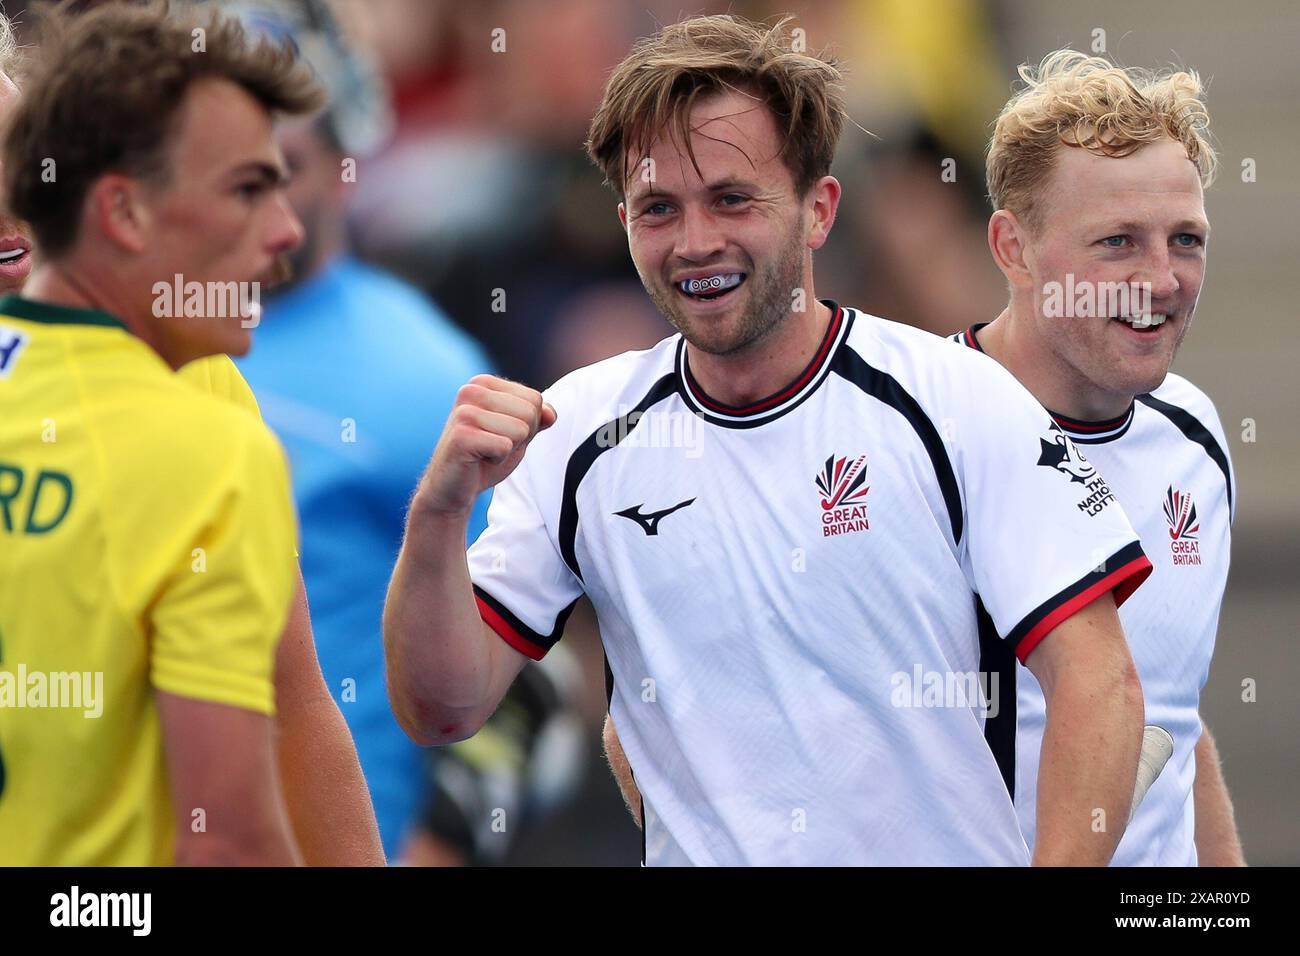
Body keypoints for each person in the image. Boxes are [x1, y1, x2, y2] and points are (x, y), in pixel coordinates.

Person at [384, 14, 1152, 866]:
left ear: (819, 210)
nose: (695, 242)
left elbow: (1100, 684)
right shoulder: (578, 432)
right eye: (658, 209)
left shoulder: (956, 399)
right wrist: (441, 513)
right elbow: (440, 708)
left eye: (732, 198)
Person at [0, 1, 376, 864]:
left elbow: (294, 704)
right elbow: (233, 837)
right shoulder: (210, 447)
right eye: (246, 188)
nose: (282, 233)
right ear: (121, 212)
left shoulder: (202, 382)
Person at [946, 50, 1244, 865]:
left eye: (1186, 239)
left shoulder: (1197, 436)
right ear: (1014, 248)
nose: (1161, 279)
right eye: (1117, 242)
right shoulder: (909, 434)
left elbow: (1176, 727)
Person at [226, 0, 499, 859]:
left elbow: (537, 643)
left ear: (346, 160)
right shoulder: (125, 331)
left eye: (286, 164)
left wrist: (447, 842)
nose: (255, 201)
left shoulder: (425, 371)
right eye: (230, 168)